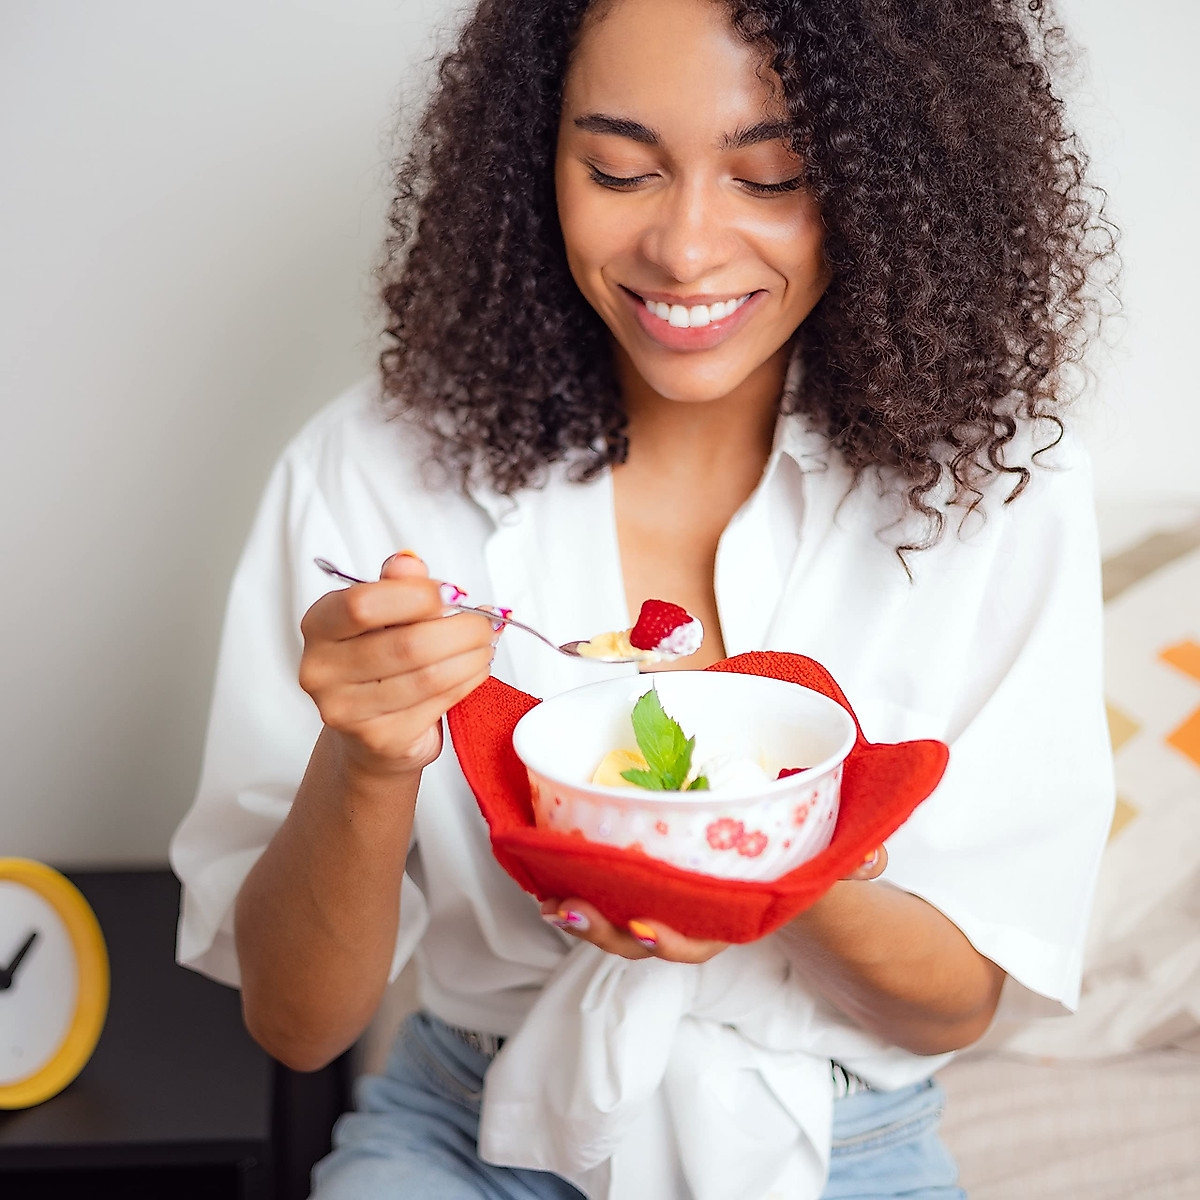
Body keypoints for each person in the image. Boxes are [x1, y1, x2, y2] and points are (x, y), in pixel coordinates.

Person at [169, 0, 1118, 1196]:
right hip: (471, 1130)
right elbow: (297, 1027)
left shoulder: (997, 486)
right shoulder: (376, 467)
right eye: (619, 169)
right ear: (536, 160)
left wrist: (761, 858)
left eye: (770, 177)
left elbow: (950, 1011)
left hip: (840, 1150)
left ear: (889, 186)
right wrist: (368, 762)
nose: (683, 246)